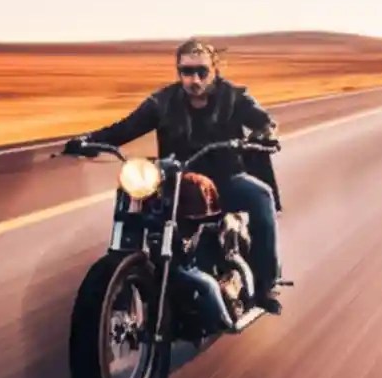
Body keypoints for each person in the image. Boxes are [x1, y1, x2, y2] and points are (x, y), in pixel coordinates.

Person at [63, 38, 284, 315]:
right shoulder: (162, 102)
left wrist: (266, 133)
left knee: (261, 196)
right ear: (178, 71)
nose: (194, 79)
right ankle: (130, 272)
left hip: (226, 179)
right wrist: (89, 141)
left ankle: (266, 283)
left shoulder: (234, 97)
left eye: (201, 71)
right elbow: (125, 128)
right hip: (176, 181)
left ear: (214, 69)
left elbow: (264, 120)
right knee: (139, 201)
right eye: (186, 71)